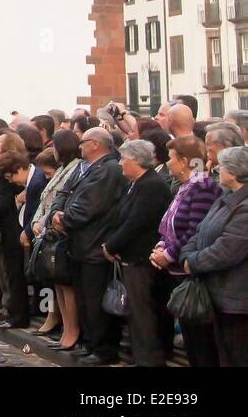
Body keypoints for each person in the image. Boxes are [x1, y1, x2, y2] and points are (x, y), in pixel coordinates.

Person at [50, 126, 126, 365]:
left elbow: (91, 204)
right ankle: (90, 342)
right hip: (79, 244)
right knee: (84, 299)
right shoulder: (84, 168)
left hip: (94, 244)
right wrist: (55, 214)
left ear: (96, 144)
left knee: (95, 301)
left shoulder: (109, 169)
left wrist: (65, 219)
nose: (79, 146)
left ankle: (103, 348)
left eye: (83, 141)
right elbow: (63, 193)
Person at [95, 139, 173, 366]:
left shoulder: (151, 186)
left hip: (141, 259)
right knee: (136, 313)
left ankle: (149, 359)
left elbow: (135, 223)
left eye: (124, 159)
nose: (120, 164)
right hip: (131, 257)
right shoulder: (137, 184)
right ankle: (141, 356)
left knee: (142, 313)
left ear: (137, 160)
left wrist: (110, 246)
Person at [150, 134, 221, 366]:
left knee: (199, 340)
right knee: (191, 338)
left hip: (189, 270)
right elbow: (170, 223)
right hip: (175, 267)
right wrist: (162, 245)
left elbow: (194, 229)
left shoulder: (202, 187)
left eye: (171, 158)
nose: (167, 162)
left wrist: (169, 254)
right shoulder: (186, 186)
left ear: (183, 161)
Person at [179, 145, 248, 366]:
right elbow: (199, 230)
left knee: (236, 355)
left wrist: (193, 262)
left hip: (236, 299)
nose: (216, 169)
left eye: (222, 166)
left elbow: (227, 250)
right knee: (222, 353)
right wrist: (187, 255)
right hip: (218, 294)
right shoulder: (225, 199)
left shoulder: (244, 208)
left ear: (235, 172)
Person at [0, 132, 31, 329]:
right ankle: (9, 310)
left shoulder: (9, 168)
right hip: (0, 225)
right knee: (3, 272)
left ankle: (16, 314)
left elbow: (4, 201)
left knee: (13, 274)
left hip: (10, 227)